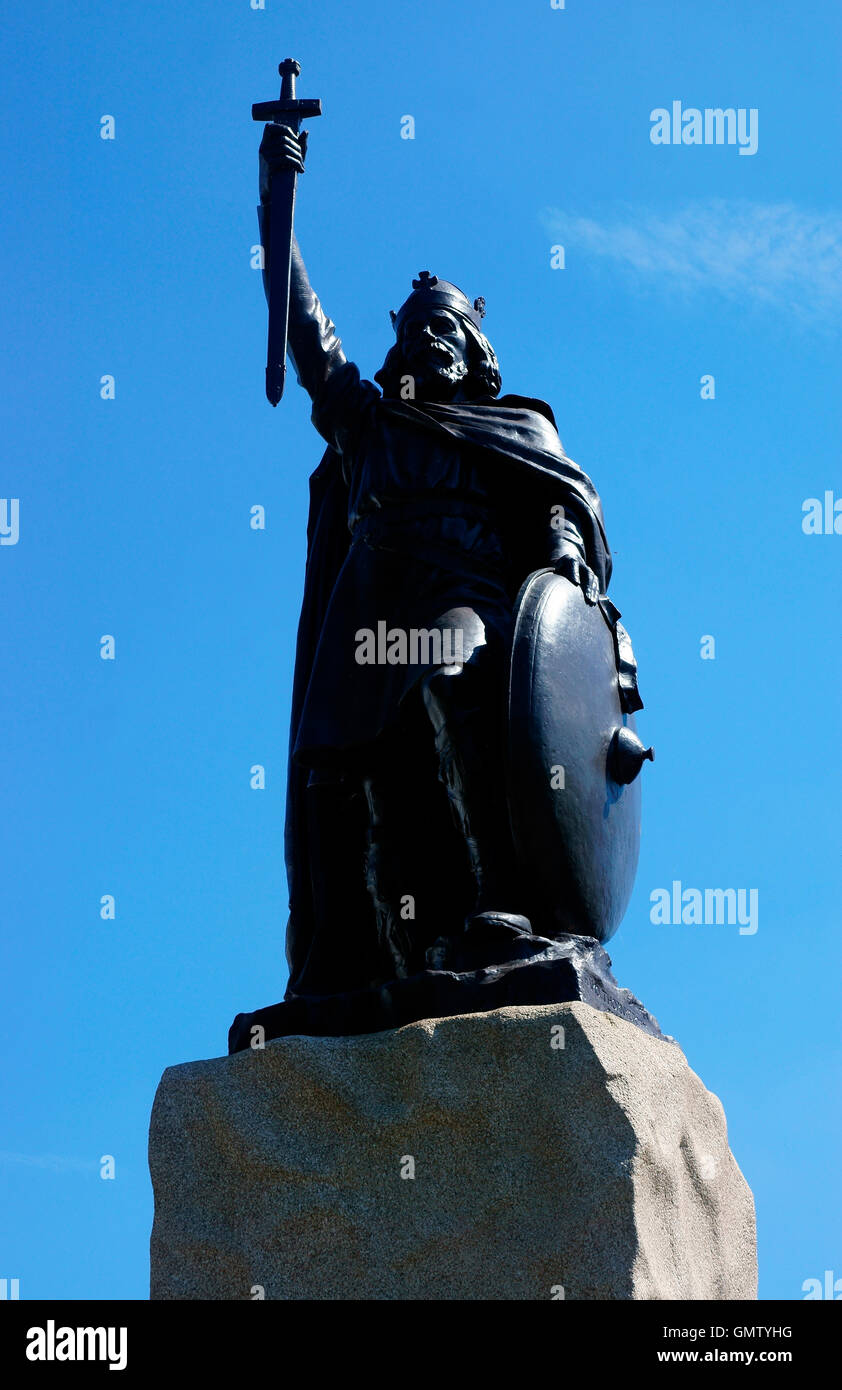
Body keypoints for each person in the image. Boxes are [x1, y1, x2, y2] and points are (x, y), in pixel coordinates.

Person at [258, 122, 613, 999]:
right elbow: (304, 327)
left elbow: (564, 501)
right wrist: (275, 199)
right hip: (368, 611)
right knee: (352, 779)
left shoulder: (516, 427)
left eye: (446, 327)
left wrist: (567, 555)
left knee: (452, 685)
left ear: (475, 349)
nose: (431, 339)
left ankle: (500, 906)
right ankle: (382, 954)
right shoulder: (367, 419)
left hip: (465, 594)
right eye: (418, 329)